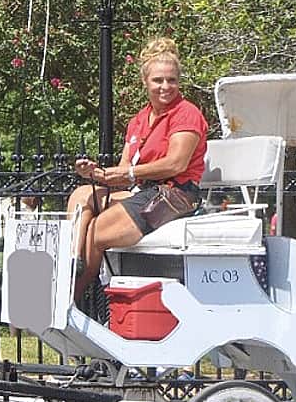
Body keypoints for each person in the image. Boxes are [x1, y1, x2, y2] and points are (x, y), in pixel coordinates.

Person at [67, 37, 208, 304]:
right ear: (145, 82)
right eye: (158, 80)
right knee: (82, 195)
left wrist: (128, 174)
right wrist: (97, 174)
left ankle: (75, 296)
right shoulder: (139, 120)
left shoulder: (186, 114)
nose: (165, 86)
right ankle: (72, 261)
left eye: (172, 80)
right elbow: (124, 169)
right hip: (143, 191)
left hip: (175, 195)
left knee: (97, 230)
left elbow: (176, 164)